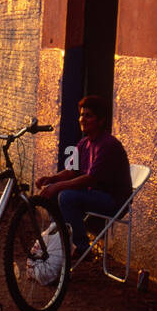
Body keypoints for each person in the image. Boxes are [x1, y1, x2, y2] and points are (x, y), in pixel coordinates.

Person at [35, 95, 132, 260]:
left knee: (66, 196)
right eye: (81, 115)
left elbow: (90, 179)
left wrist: (58, 186)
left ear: (100, 121)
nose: (82, 119)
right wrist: (50, 179)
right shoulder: (83, 143)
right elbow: (71, 171)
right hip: (93, 195)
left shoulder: (108, 145)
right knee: (52, 196)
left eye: (88, 115)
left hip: (114, 201)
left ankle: (81, 248)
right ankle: (60, 243)